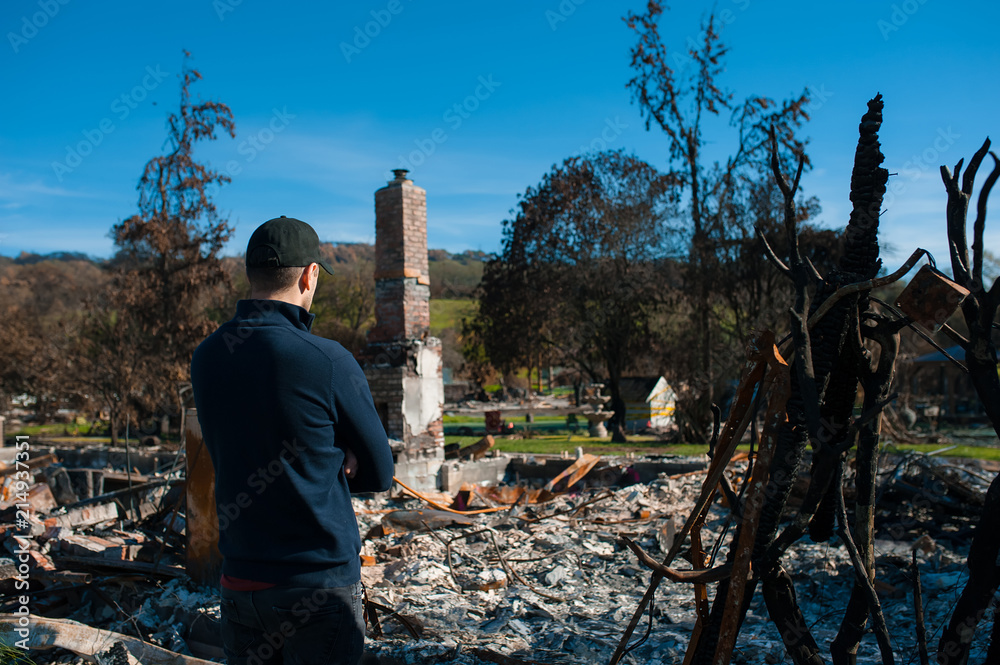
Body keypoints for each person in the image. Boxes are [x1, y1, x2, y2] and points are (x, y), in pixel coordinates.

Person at [191, 216, 394, 665]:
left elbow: (243, 445)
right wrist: (338, 456)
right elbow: (381, 472)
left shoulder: (206, 358)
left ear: (250, 274)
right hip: (317, 589)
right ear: (310, 274)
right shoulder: (326, 359)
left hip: (240, 583)